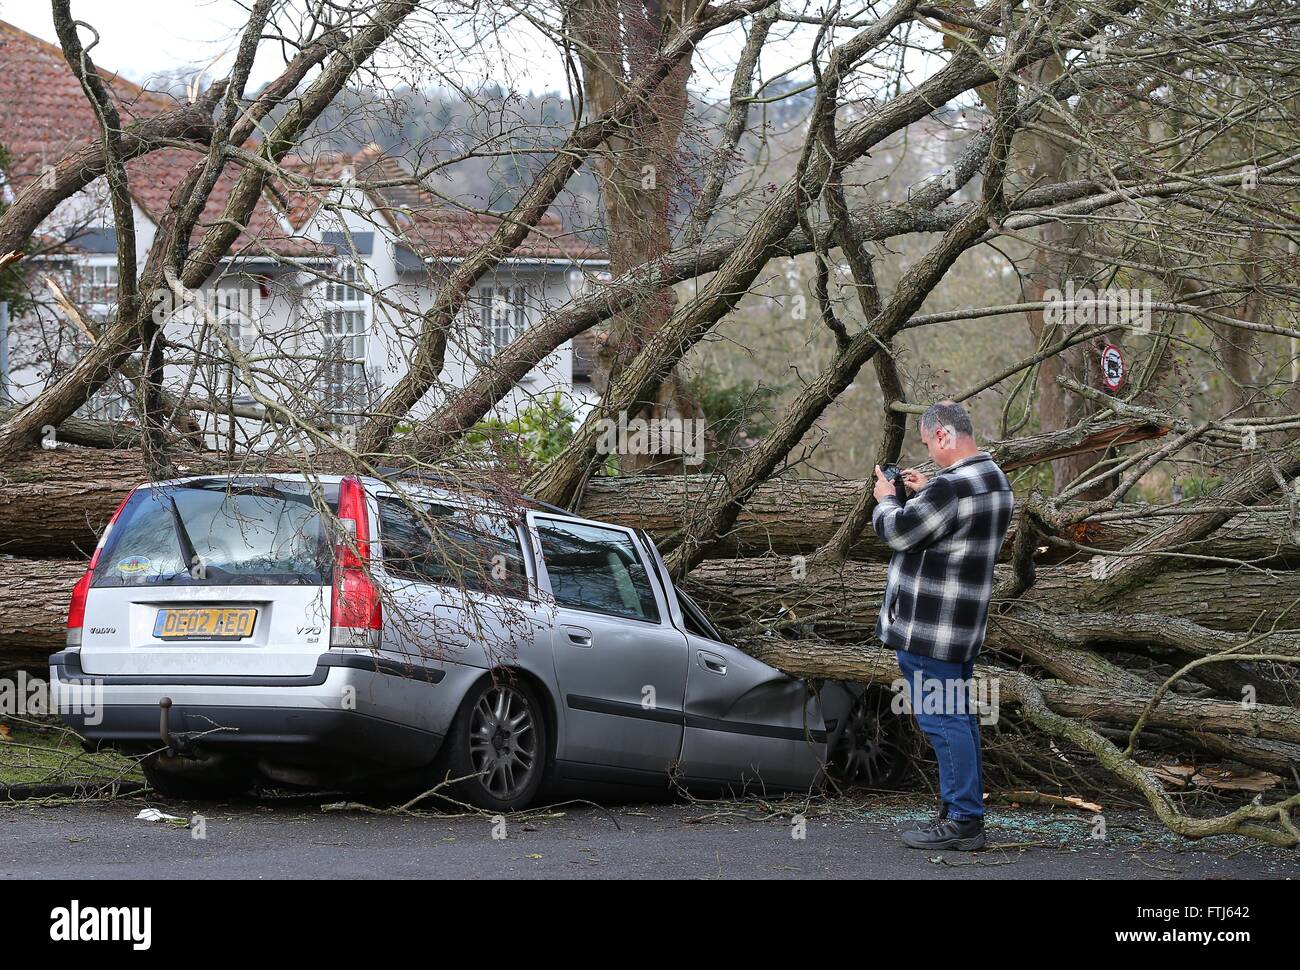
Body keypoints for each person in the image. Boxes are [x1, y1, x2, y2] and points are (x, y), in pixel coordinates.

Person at [871, 400, 1014, 851]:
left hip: (928, 628)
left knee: (941, 719)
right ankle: (962, 811)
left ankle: (963, 820)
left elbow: (898, 532)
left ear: (943, 436)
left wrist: (888, 499)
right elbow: (953, 529)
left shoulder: (949, 489)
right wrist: (929, 490)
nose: (928, 453)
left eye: (928, 443)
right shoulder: (994, 479)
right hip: (964, 626)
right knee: (959, 716)